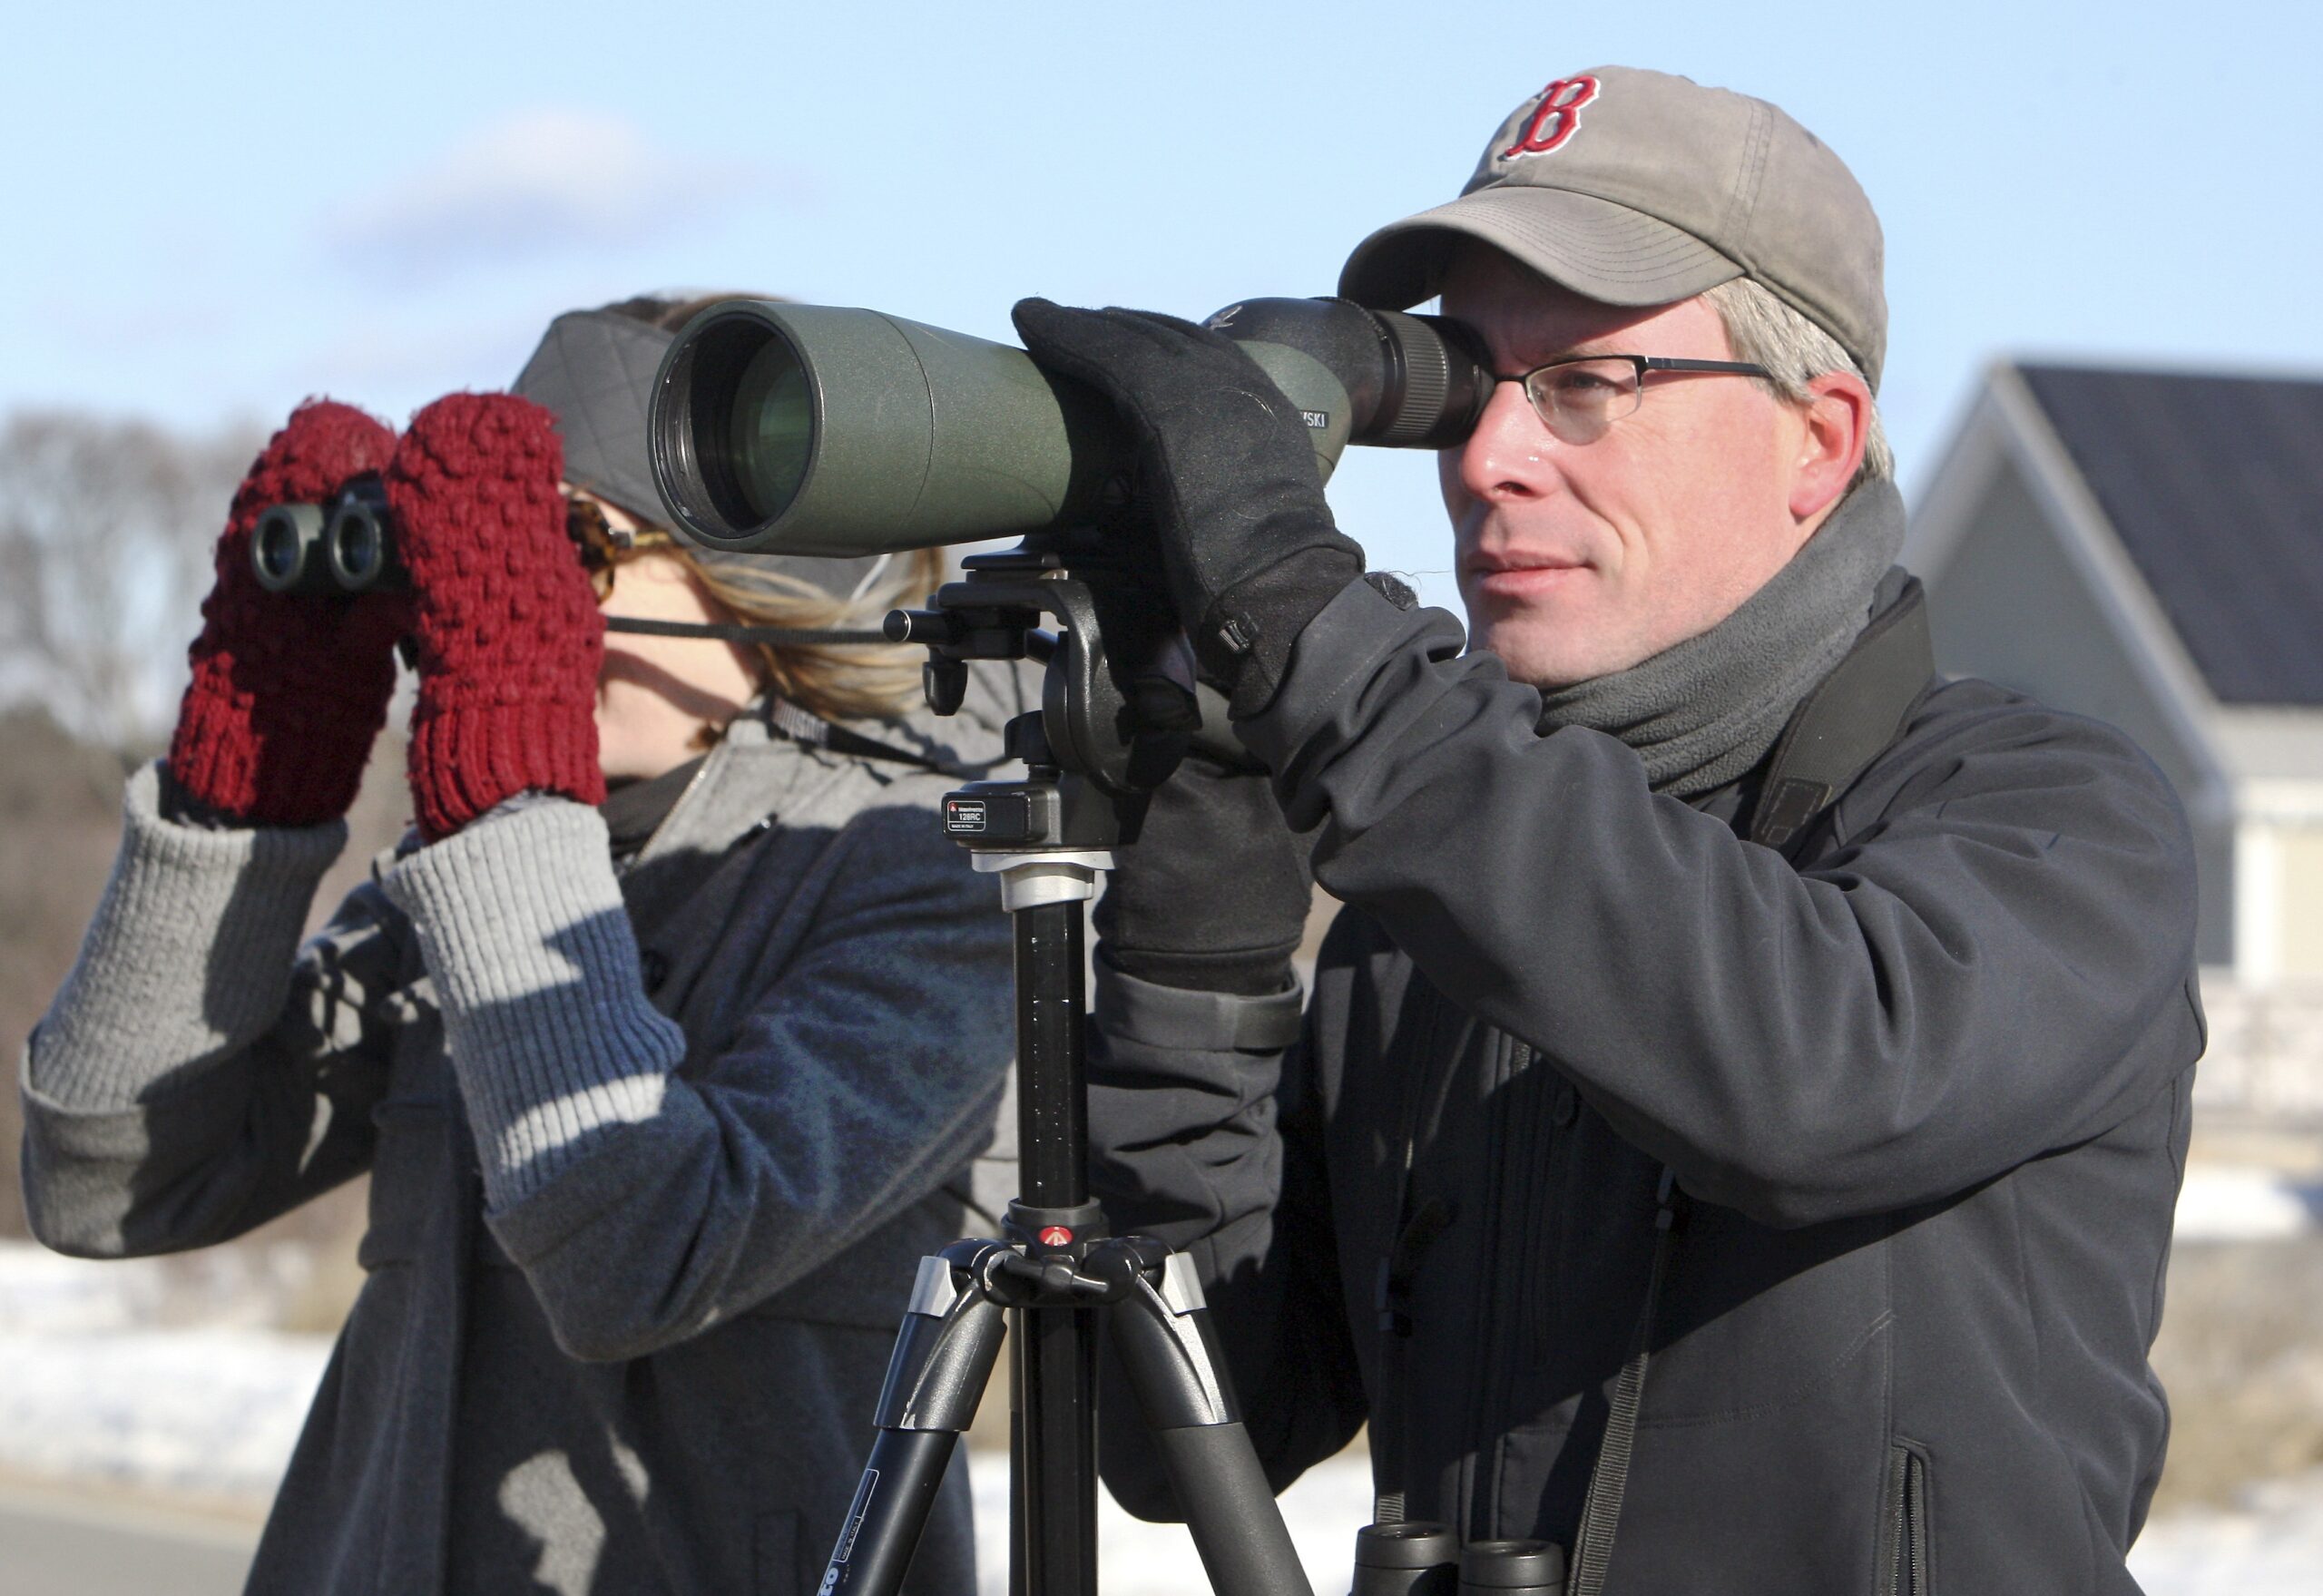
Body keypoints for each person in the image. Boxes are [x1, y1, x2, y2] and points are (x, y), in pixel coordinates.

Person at [1015, 67, 2202, 1594]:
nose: (1488, 459)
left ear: (1817, 439)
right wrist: (1205, 889)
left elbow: (1808, 1075)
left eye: (1585, 384)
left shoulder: (2051, 819)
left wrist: (1304, 625)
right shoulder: (1428, 911)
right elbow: (1195, 1423)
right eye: (1464, 391)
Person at [19, 296, 1025, 1595]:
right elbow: (111, 1182)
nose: (517, 608)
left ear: (760, 584)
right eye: (486, 558)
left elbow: (638, 1258)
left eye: (569, 551)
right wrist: (251, 777)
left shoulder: (931, 876)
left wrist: (503, 791)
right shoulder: (475, 869)